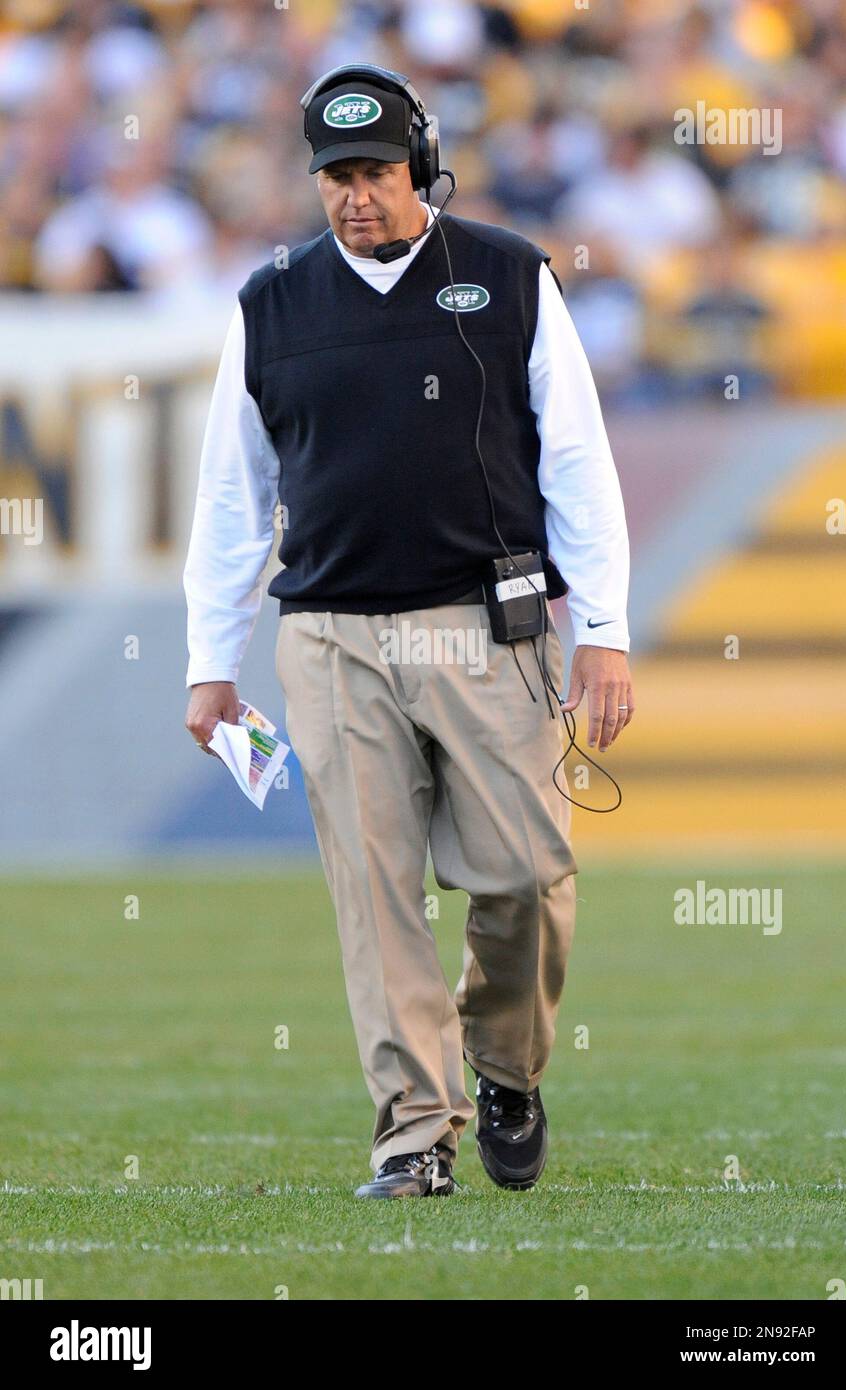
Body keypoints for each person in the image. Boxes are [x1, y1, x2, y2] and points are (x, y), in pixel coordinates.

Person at [183, 65, 634, 1200]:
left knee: (526, 875)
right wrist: (208, 665)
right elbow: (233, 499)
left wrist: (607, 628)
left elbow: (577, 456)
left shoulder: (507, 274)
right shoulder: (271, 303)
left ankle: (507, 1069)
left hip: (487, 625)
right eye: (335, 176)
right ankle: (411, 1135)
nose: (355, 197)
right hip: (332, 632)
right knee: (375, 893)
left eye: (376, 172)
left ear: (421, 167)